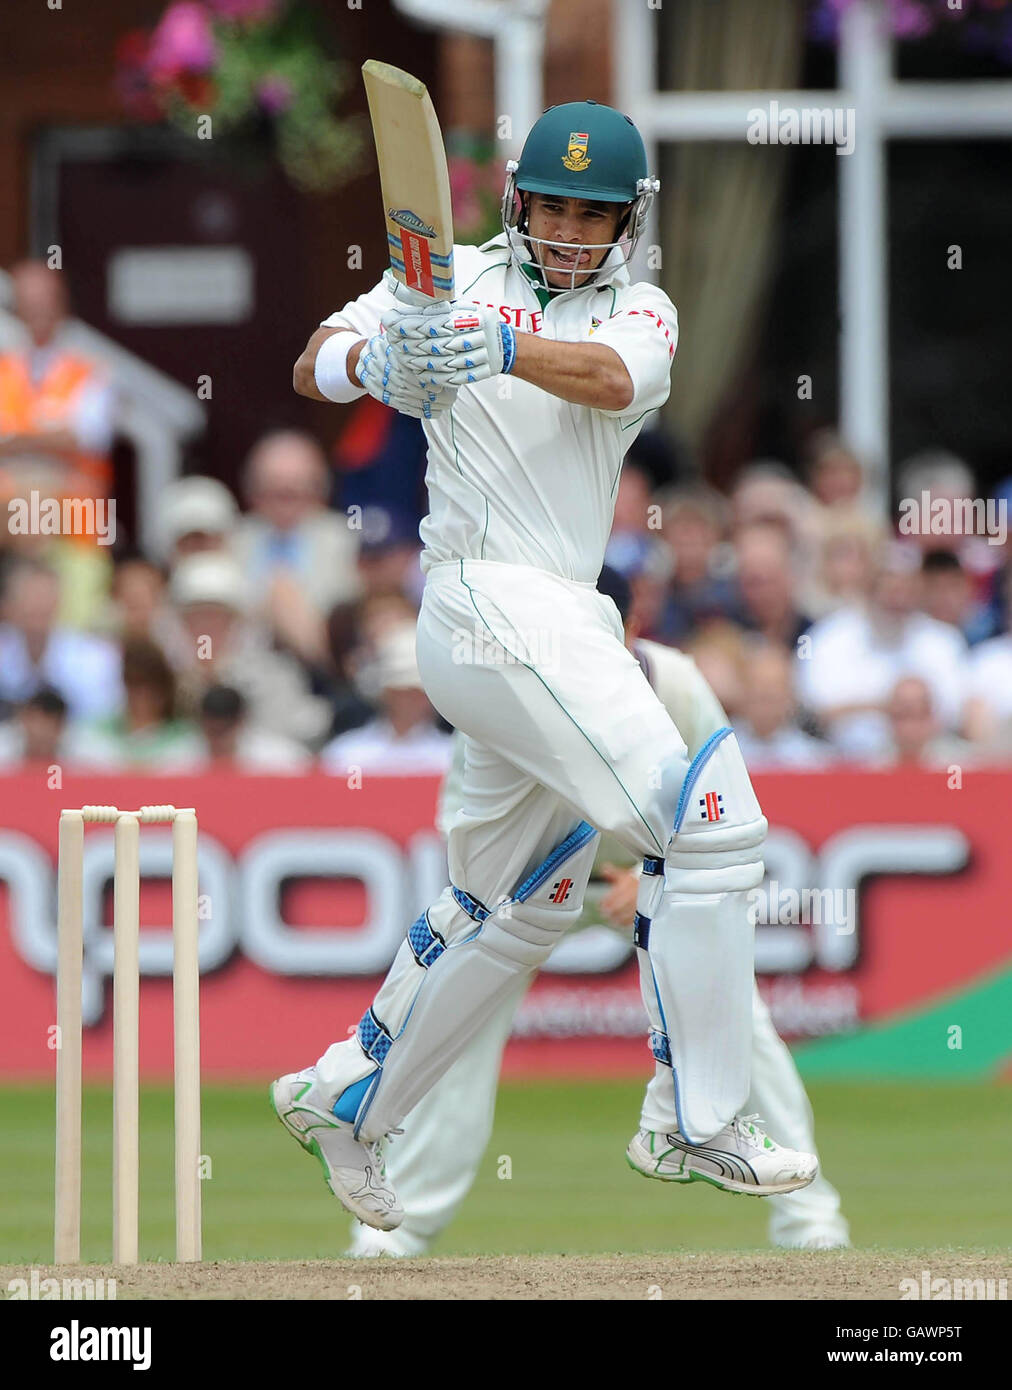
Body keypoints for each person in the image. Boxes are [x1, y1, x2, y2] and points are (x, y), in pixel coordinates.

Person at [273, 99, 817, 1232]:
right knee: (708, 822)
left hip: (562, 618)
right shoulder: (446, 277)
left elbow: (619, 381)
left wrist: (503, 347)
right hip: (480, 596)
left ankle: (348, 1099)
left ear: (627, 221)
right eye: (553, 206)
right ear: (518, 197)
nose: (570, 230)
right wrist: (378, 358)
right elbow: (308, 364)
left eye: (594, 213)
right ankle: (692, 1115)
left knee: (518, 900)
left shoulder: (646, 308)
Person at [347, 569, 849, 1257]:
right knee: (455, 1028)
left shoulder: (675, 686)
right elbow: (465, 835)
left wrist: (656, 876)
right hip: (522, 890)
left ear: (629, 626)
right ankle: (393, 1238)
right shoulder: (503, 691)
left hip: (646, 876)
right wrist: (543, 890)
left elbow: (720, 809)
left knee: (739, 1014)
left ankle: (811, 1222)